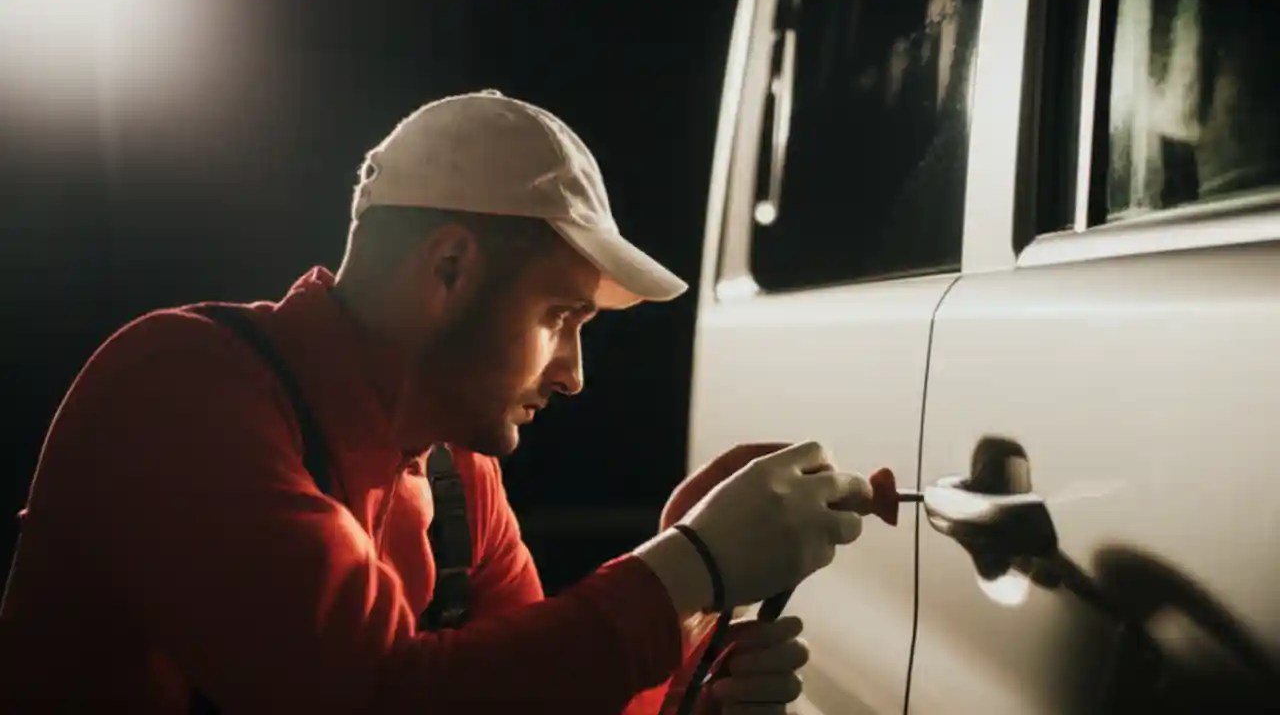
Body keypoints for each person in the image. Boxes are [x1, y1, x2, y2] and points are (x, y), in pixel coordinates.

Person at [0, 91, 873, 713]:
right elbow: (375, 695)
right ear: (449, 269)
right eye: (559, 316)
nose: (573, 374)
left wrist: (688, 673)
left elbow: (523, 697)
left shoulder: (455, 474)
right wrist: (693, 564)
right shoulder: (180, 390)